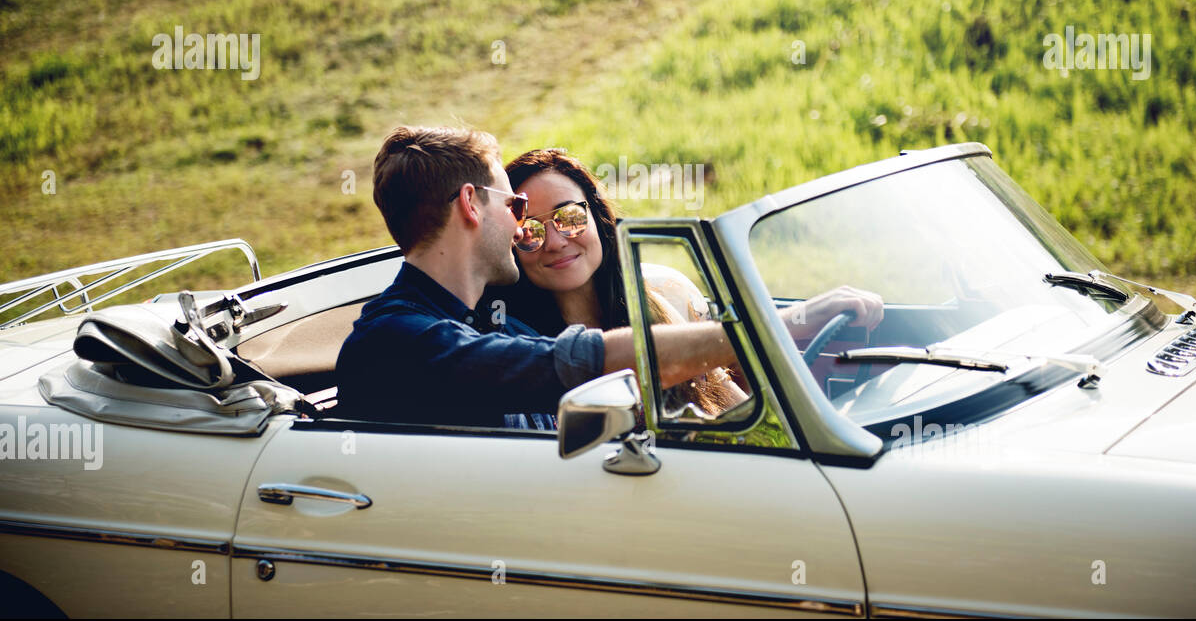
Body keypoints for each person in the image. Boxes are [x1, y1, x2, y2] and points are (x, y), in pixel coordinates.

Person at [333, 125, 884, 428]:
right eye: (517, 205)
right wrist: (778, 324)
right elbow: (562, 362)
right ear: (473, 205)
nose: (530, 226)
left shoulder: (482, 327)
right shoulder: (399, 337)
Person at [482, 148, 746, 418]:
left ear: (598, 216)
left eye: (571, 218)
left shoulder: (667, 292)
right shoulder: (522, 349)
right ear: (511, 244)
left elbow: (735, 409)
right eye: (529, 231)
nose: (555, 243)